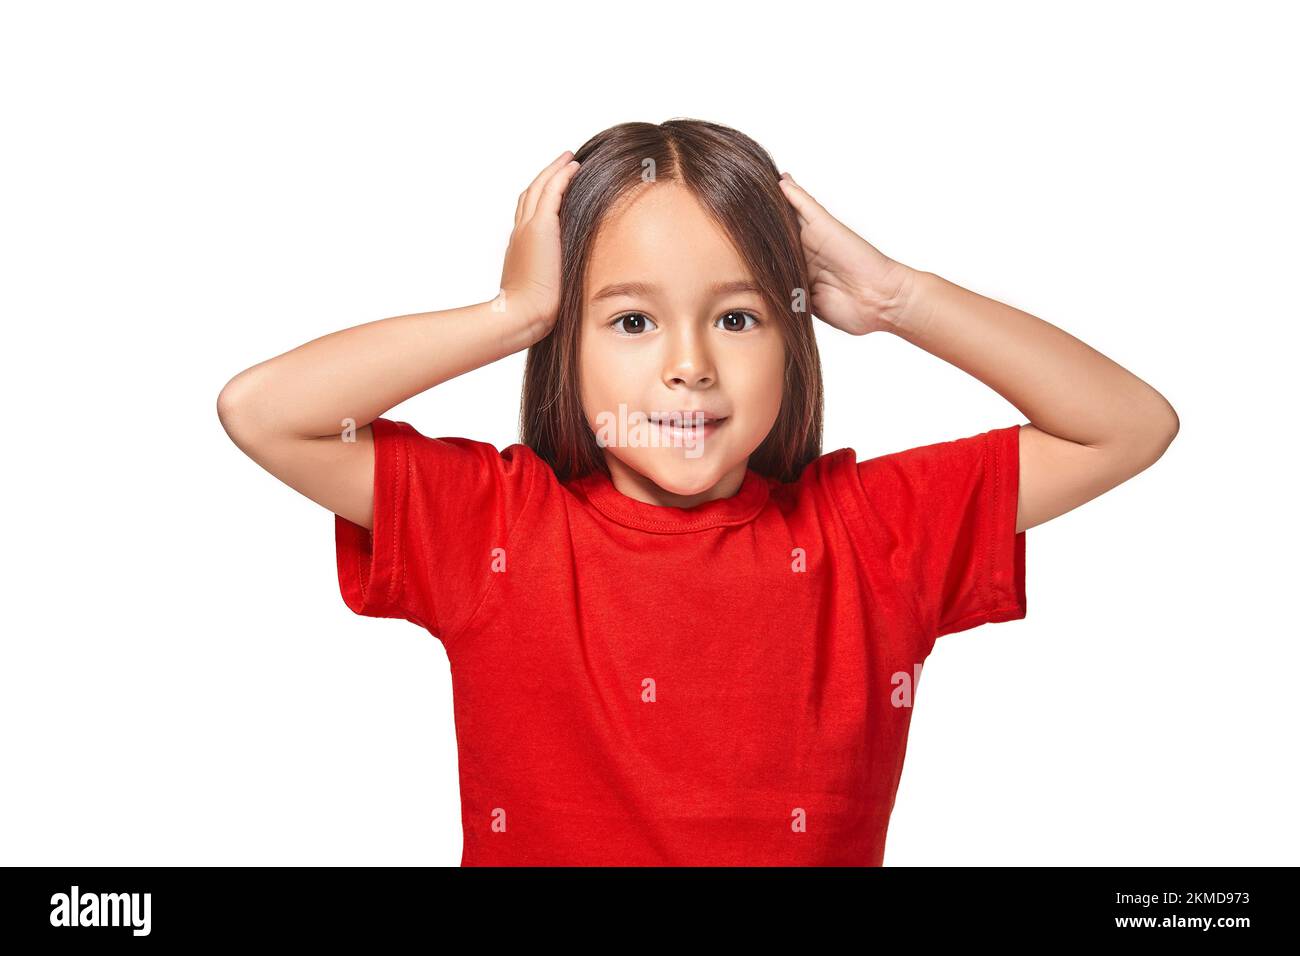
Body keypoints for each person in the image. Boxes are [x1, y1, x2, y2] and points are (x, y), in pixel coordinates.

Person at [217, 118, 1178, 866]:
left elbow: (1126, 426)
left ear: (793, 337)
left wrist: (898, 299)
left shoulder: (870, 535)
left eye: (736, 315)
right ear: (568, 344)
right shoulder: (495, 528)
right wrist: (510, 314)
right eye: (631, 319)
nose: (688, 365)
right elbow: (265, 412)